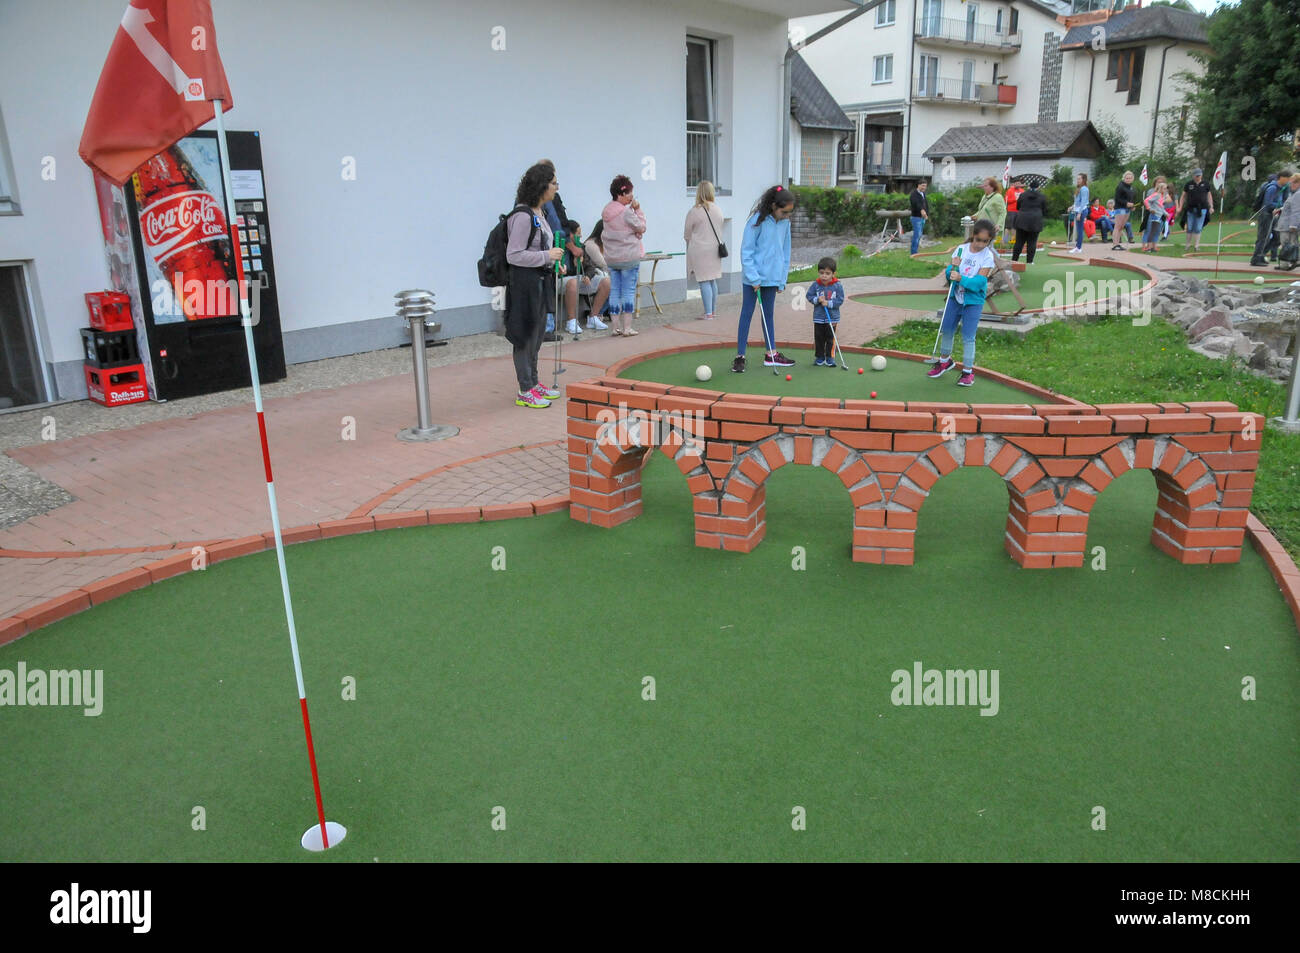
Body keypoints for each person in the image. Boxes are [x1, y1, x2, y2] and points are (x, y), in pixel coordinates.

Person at [504, 162, 566, 408]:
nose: (556, 187)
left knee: (538, 334)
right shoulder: (521, 216)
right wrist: (546, 257)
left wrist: (553, 263)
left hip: (540, 280)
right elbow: (514, 254)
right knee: (525, 336)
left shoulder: (540, 212)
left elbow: (542, 248)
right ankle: (525, 389)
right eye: (553, 183)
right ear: (542, 186)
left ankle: (534, 382)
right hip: (524, 285)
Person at [732, 185, 795, 373]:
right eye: (784, 212)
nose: (786, 216)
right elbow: (747, 251)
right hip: (753, 279)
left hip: (772, 278)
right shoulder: (757, 221)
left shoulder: (785, 224)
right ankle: (740, 356)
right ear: (774, 206)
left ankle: (771, 354)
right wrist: (753, 278)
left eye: (789, 213)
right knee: (747, 314)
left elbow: (785, 252)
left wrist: (782, 279)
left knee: (768, 315)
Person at [928, 219, 996, 387]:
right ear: (973, 235)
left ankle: (967, 372)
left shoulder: (987, 256)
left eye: (985, 241)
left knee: (968, 337)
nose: (980, 244)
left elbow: (979, 283)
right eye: (978, 239)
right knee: (947, 329)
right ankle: (945, 361)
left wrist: (960, 278)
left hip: (973, 302)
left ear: (989, 241)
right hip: (955, 297)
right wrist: (952, 270)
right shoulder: (960, 250)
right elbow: (949, 273)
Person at [601, 175, 647, 335]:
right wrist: (638, 210)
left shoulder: (606, 211)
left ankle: (615, 328)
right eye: (629, 193)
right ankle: (627, 328)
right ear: (621, 193)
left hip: (612, 259)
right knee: (628, 292)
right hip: (628, 258)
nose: (631, 196)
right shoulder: (626, 212)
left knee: (614, 291)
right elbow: (641, 227)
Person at [684, 179, 725, 320]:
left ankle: (708, 313)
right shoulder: (718, 209)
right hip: (715, 250)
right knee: (712, 280)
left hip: (700, 250)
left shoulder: (694, 211)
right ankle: (712, 311)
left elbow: (687, 234)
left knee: (703, 281)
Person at [560, 220, 611, 332]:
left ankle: (593, 317)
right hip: (561, 279)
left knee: (606, 282)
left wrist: (587, 275)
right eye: (578, 233)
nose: (581, 236)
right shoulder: (559, 246)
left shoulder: (581, 247)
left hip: (580, 279)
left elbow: (590, 267)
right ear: (570, 235)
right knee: (573, 282)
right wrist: (570, 267)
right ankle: (571, 321)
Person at [805, 256, 845, 367]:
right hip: (818, 317)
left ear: (833, 274)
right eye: (821, 273)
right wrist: (817, 300)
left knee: (830, 339)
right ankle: (820, 357)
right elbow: (809, 296)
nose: (824, 276)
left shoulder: (837, 286)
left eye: (827, 273)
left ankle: (830, 357)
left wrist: (829, 303)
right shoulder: (816, 285)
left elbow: (840, 300)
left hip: (832, 317)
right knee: (819, 338)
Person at [1252, 170, 1293, 266]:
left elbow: (1283, 199)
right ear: (1282, 177)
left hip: (1273, 215)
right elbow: (1268, 204)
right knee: (1263, 237)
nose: (1288, 181)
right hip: (1266, 214)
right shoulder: (1273, 188)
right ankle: (1256, 258)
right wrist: (1281, 205)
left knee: (1274, 237)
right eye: (1287, 179)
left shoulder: (1281, 188)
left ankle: (1261, 256)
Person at [1176, 168, 1214, 253]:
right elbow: (1183, 196)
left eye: (1199, 175)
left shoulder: (1206, 184)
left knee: (1198, 228)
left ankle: (1196, 246)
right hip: (1191, 208)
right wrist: (1180, 206)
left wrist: (1211, 206)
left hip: (1202, 208)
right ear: (1193, 176)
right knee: (1189, 227)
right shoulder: (1189, 184)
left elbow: (1209, 196)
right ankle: (1187, 245)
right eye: (1196, 175)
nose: (1198, 177)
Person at [1011, 179, 1046, 264]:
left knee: (1019, 242)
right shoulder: (1042, 196)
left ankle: (1014, 261)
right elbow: (1044, 209)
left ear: (1029, 186)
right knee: (1032, 242)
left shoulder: (1023, 195)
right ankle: (1029, 262)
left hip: (1022, 219)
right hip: (1035, 220)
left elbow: (1018, 207)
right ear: (1038, 187)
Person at [974, 178, 1007, 247]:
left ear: (992, 187)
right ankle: (995, 257)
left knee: (986, 246)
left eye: (986, 186)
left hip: (991, 226)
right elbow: (981, 210)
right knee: (985, 247)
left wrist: (999, 225)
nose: (983, 187)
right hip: (981, 226)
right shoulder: (985, 197)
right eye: (983, 185)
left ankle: (996, 257)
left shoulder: (998, 197)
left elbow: (1003, 212)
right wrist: (973, 216)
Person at [1140, 181, 1169, 253]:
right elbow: (1146, 201)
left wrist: (1166, 213)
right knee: (1151, 231)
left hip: (1159, 215)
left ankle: (1154, 247)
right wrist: (1150, 209)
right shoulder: (1156, 195)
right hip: (1154, 216)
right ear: (1160, 188)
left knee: (1157, 231)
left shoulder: (1162, 196)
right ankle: (1148, 247)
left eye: (1166, 189)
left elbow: (1161, 207)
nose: (1166, 190)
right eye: (1164, 189)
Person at [1112, 171, 1137, 249]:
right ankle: (1115, 244)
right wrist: (1126, 203)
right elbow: (1117, 198)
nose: (1128, 179)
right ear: (1124, 178)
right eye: (1127, 178)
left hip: (1127, 209)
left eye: (1130, 178)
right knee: (1118, 226)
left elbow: (1131, 198)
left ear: (1132, 179)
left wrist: (1132, 205)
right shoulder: (1120, 186)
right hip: (1120, 208)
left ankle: (1117, 244)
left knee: (1121, 226)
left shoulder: (1131, 187)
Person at [1067, 173, 1090, 252]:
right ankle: (1078, 247)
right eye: (1077, 179)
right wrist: (1072, 207)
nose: (1078, 180)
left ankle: (1078, 247)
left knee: (1079, 229)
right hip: (1079, 210)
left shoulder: (1084, 189)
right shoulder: (1079, 188)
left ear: (1083, 180)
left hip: (1082, 210)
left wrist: (1079, 213)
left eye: (1079, 179)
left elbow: (1083, 202)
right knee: (1079, 229)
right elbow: (1078, 201)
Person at [909, 180, 930, 255]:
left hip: (922, 218)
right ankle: (913, 253)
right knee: (917, 235)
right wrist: (921, 210)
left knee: (919, 235)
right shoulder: (914, 194)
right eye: (923, 185)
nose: (924, 187)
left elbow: (925, 205)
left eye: (925, 186)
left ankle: (915, 251)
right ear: (918, 185)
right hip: (916, 217)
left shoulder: (923, 194)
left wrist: (926, 214)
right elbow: (916, 204)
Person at [1004, 177, 1025, 250]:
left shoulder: (1022, 191)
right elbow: (1006, 200)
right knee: (1009, 226)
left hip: (1019, 211)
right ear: (1014, 184)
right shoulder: (1010, 190)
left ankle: (1013, 241)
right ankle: (1005, 240)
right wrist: (1015, 199)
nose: (1018, 184)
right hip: (1011, 210)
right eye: (1017, 183)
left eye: (1019, 183)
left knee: (1016, 227)